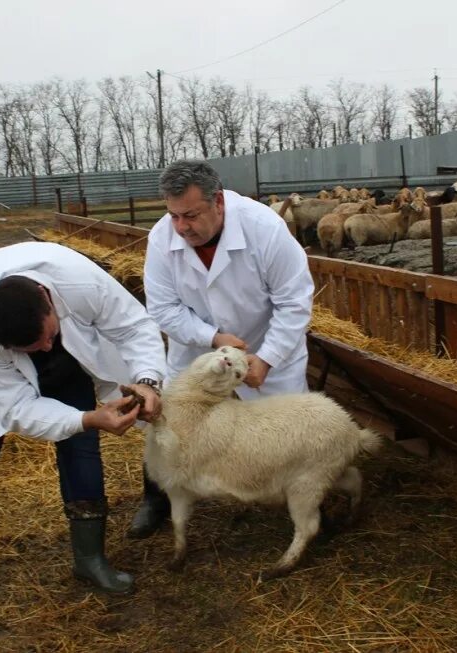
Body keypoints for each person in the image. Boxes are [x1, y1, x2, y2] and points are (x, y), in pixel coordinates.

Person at [0, 241, 166, 630]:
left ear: (47, 300)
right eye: (34, 347)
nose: (45, 347)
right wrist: (88, 418)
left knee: (82, 451)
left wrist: (148, 381)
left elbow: (134, 326)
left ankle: (89, 559)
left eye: (47, 336)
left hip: (69, 360)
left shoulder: (77, 279)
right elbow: (16, 410)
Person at [127, 160, 314, 539]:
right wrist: (213, 338)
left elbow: (294, 302)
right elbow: (162, 308)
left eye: (191, 215)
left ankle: (304, 500)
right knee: (172, 422)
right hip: (197, 350)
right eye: (173, 215)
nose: (181, 227)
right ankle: (157, 498)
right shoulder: (162, 238)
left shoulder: (264, 229)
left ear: (218, 202)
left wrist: (268, 357)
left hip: (265, 342)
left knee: (287, 427)